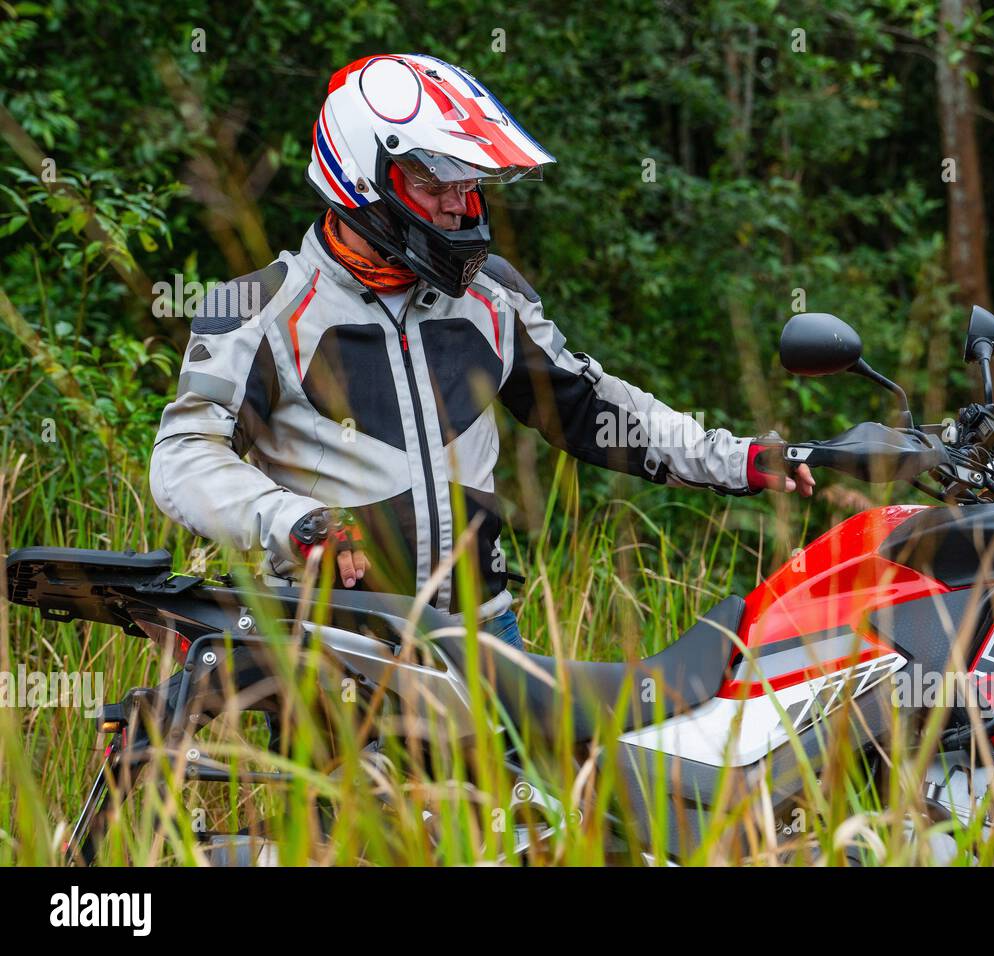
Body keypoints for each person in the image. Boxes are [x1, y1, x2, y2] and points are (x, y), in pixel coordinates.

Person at [149, 53, 813, 649]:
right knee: (358, 793)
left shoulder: (490, 295)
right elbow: (182, 459)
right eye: (435, 186)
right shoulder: (260, 307)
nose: (458, 208)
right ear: (362, 177)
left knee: (539, 791)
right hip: (333, 634)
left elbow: (587, 406)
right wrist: (299, 521)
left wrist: (737, 457)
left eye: (468, 186)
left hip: (481, 627)